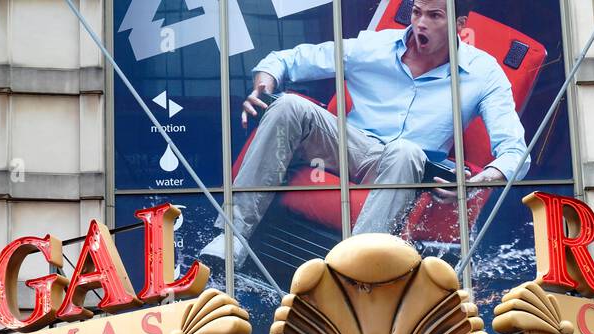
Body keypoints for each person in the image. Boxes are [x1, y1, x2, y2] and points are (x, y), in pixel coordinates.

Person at [201, 0, 530, 268]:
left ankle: (352, 266)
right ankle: (233, 238)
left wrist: (480, 180)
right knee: (288, 105)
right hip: (349, 144)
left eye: (435, 16)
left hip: (407, 165)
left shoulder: (483, 73)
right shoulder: (375, 46)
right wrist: (264, 86)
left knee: (406, 151)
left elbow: (515, 150)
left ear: (460, 25)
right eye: (417, 12)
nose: (421, 24)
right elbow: (286, 60)